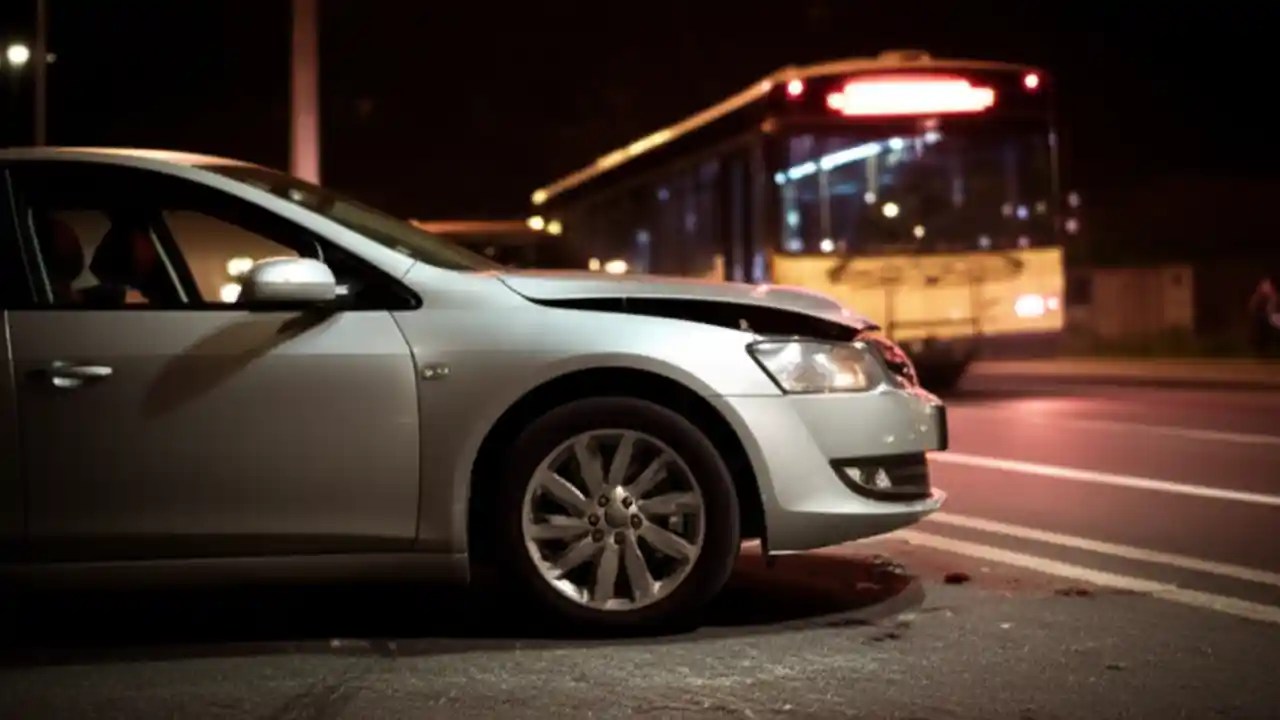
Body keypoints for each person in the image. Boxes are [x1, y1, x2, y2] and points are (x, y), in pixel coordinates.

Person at [1248, 275, 1278, 356]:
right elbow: (1252, 308)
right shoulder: (1257, 297)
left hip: (1273, 317)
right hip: (1264, 319)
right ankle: (1261, 348)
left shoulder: (1273, 296)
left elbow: (1272, 310)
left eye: (1267, 285)